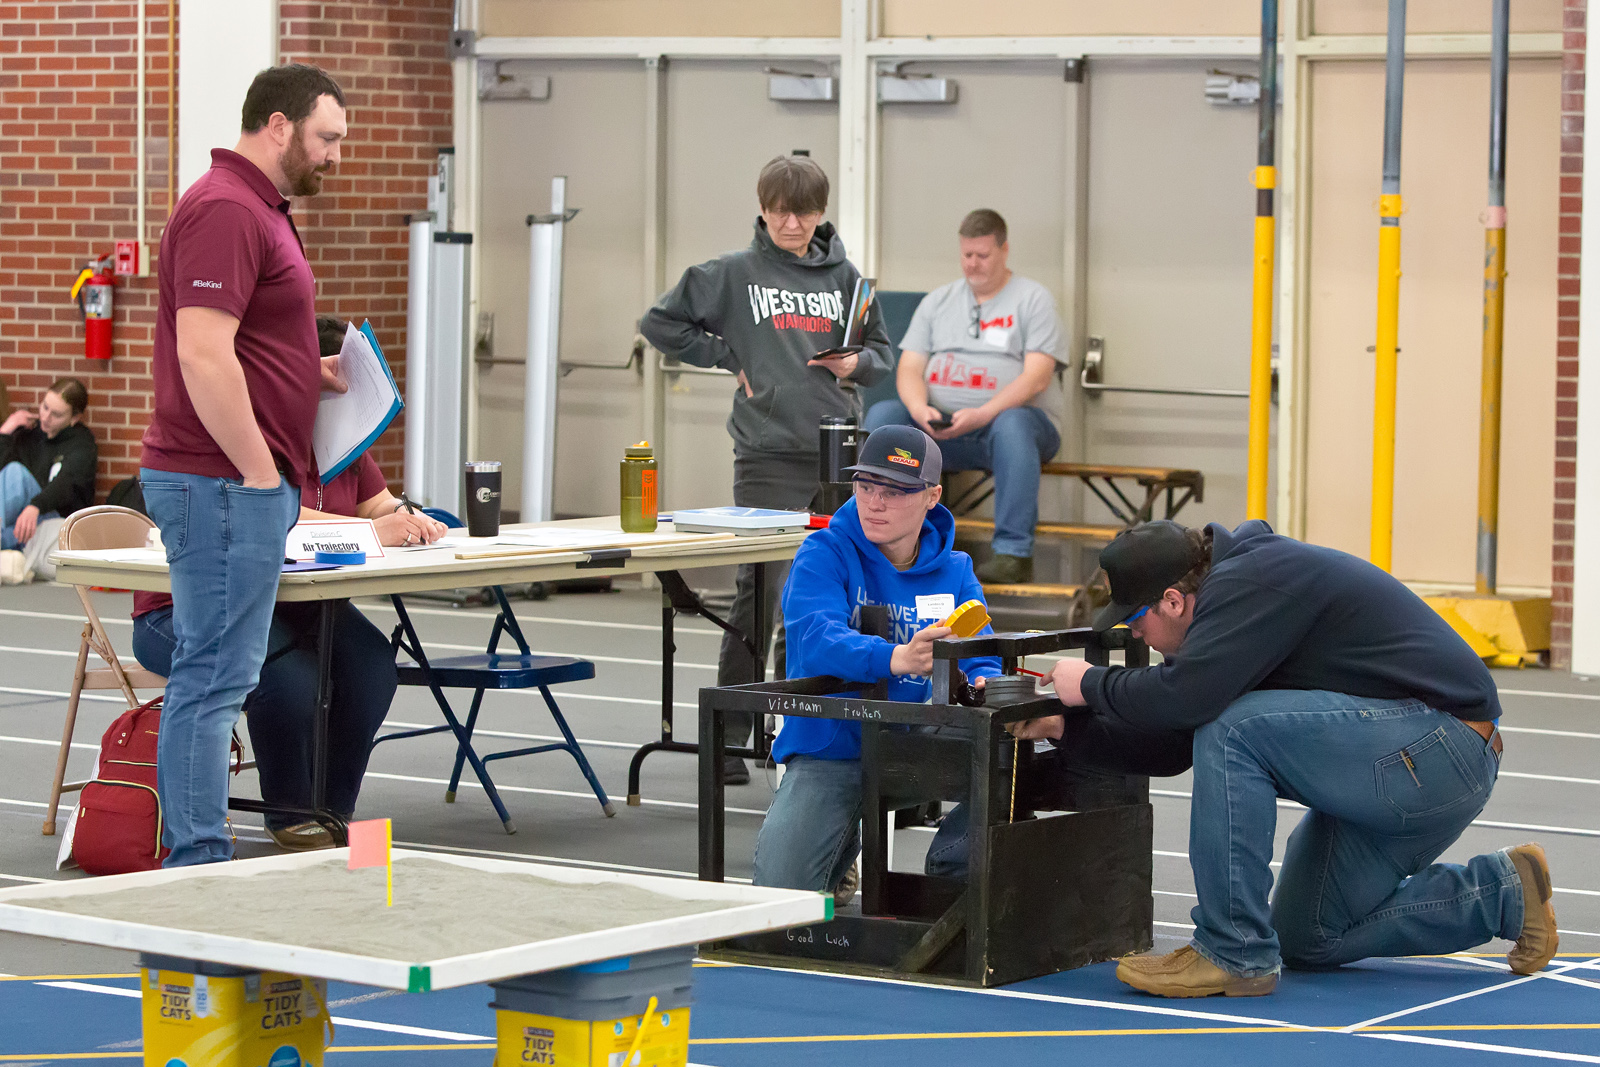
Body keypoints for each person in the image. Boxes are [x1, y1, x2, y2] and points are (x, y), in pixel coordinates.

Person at [1024, 519, 1558, 997]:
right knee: (1307, 936)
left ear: (1172, 600)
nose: (1133, 633)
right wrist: (1062, 727)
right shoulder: (1236, 609)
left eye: (1134, 620)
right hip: (1419, 762)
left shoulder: (1252, 583)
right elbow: (1173, 745)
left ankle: (1230, 951)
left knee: (1234, 731)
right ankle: (1501, 894)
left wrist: (1092, 683)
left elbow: (1188, 700)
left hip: (1439, 751)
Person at [138, 64, 349, 866]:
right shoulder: (226, 209)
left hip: (234, 481)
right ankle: (197, 858)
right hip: (221, 481)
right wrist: (262, 473)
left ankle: (201, 850)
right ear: (277, 125)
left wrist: (307, 369)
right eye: (326, 138)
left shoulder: (260, 208)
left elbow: (243, 341)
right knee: (215, 676)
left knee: (222, 672)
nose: (334, 155)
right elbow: (202, 351)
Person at [130, 317, 445, 851]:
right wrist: (373, 530)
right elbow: (277, 518)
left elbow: (380, 505)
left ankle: (334, 807)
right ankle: (290, 812)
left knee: (372, 665)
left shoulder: (345, 446)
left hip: (298, 604)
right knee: (289, 677)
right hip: (186, 609)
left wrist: (414, 520)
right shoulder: (258, 436)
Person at [641, 153, 893, 784]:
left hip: (839, 453)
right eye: (781, 211)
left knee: (837, 595)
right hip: (766, 454)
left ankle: (816, 729)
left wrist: (852, 366)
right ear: (763, 208)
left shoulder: (849, 281)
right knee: (761, 594)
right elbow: (660, 322)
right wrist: (726, 356)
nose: (792, 223)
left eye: (804, 212)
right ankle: (728, 738)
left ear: (821, 214)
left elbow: (881, 354)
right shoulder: (731, 273)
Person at [750, 425, 1002, 896]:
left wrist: (986, 683)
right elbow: (818, 639)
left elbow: (979, 650)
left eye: (895, 490)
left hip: (915, 740)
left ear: (932, 496)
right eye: (865, 486)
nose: (875, 502)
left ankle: (952, 868)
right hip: (834, 747)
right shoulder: (823, 552)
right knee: (781, 901)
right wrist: (897, 658)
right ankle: (836, 855)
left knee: (1012, 751)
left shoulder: (955, 569)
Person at [865, 209, 1068, 586]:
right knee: (884, 415)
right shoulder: (939, 301)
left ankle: (1012, 552)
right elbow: (909, 368)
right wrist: (919, 409)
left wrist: (984, 413)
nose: (973, 264)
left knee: (1013, 423)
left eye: (983, 255)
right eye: (967, 255)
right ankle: (882, 539)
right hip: (942, 426)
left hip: (1013, 426)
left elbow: (1037, 378)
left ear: (1004, 251)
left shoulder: (1033, 300)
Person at [0, 378, 97, 557]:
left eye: (56, 415)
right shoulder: (31, 433)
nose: (45, 417)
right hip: (23, 521)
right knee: (10, 472)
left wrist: (35, 506)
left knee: (16, 472)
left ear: (74, 418)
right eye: (45, 407)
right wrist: (6, 431)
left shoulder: (82, 443)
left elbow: (66, 483)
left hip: (56, 520)